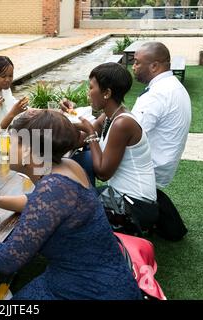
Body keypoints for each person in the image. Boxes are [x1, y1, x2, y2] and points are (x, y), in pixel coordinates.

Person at [0, 110, 142, 300]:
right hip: (94, 275)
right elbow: (39, 204)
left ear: (26, 150)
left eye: (12, 141)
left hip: (91, 289)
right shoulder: (68, 166)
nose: (6, 148)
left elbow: (7, 260)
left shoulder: (53, 187)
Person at [76, 62, 158, 233]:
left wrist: (91, 133)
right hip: (120, 195)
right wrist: (70, 117)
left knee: (70, 210)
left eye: (91, 88)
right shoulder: (110, 115)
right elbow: (81, 140)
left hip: (135, 207)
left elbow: (103, 173)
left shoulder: (122, 123)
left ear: (106, 93)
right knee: (72, 196)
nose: (88, 93)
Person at [132, 42, 192, 188]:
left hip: (146, 171)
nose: (133, 67)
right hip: (161, 168)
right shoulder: (173, 86)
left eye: (137, 63)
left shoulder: (157, 94)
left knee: (86, 159)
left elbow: (128, 134)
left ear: (154, 66)